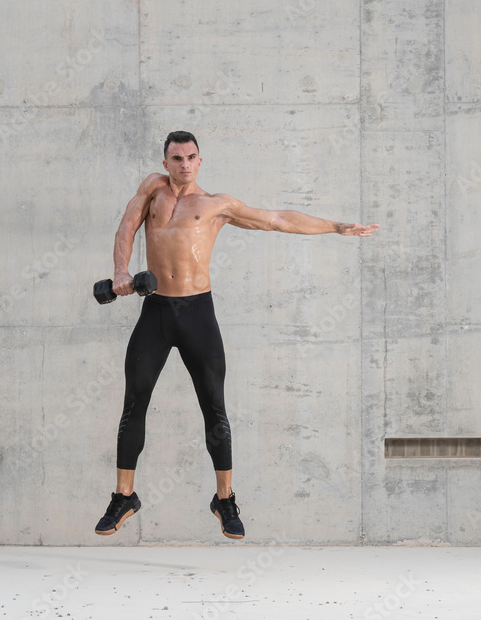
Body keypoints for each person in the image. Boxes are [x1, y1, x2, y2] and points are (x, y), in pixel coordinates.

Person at [94, 131, 378, 540]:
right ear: (165, 162)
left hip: (197, 313)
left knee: (214, 408)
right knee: (133, 403)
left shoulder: (216, 205)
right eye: (176, 158)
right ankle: (124, 497)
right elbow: (126, 227)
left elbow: (277, 219)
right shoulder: (151, 191)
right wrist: (122, 271)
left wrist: (335, 227)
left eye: (191, 157)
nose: (184, 165)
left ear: (200, 160)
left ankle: (224, 500)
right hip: (155, 311)